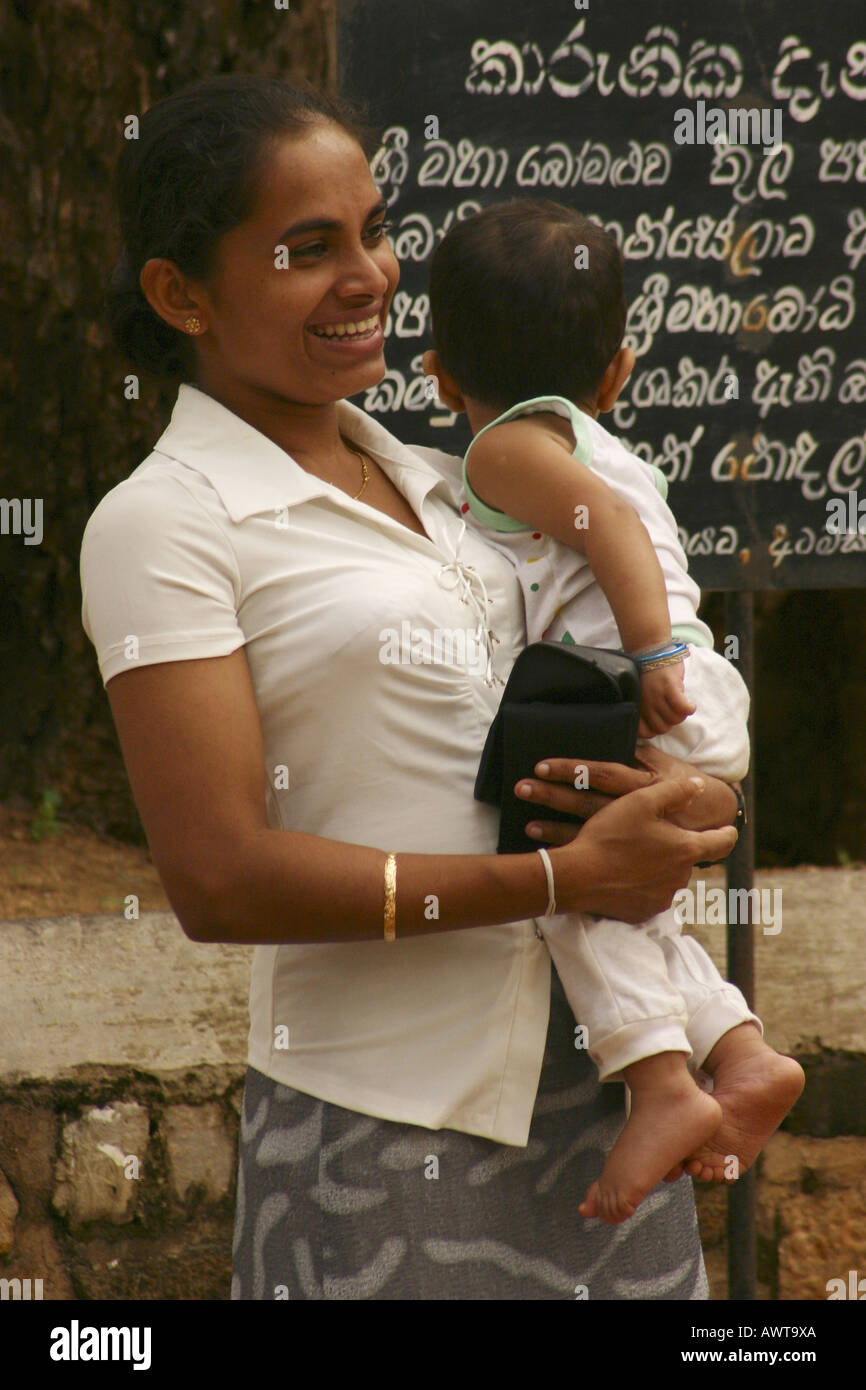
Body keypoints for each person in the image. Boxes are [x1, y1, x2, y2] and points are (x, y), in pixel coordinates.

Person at [80, 74, 741, 1300]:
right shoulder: (166, 523)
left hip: (611, 1096)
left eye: (377, 232)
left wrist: (658, 805)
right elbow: (218, 877)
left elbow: (546, 727)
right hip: (383, 1126)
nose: (371, 274)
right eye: (307, 248)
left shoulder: (457, 480)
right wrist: (556, 877)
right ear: (180, 294)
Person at [421, 199, 805, 1224]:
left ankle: (657, 1083)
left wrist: (647, 658)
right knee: (640, 905)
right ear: (617, 373)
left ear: (438, 376)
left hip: (639, 683)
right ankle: (738, 1049)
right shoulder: (599, 439)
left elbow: (612, 530)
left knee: (567, 884)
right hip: (684, 690)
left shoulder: (503, 450)